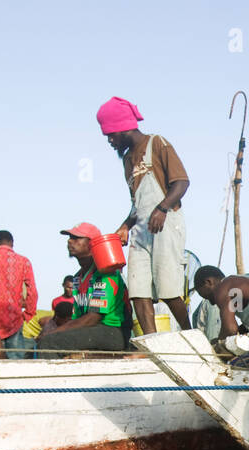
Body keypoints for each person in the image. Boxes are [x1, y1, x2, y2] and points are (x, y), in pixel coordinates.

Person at [98, 96, 190, 335]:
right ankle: (152, 343)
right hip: (141, 229)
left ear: (122, 127)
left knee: (168, 289)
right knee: (138, 290)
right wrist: (125, 225)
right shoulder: (127, 160)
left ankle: (191, 333)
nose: (109, 141)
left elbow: (181, 182)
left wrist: (162, 208)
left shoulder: (156, 143)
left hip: (165, 224)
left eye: (111, 135)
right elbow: (136, 203)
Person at [36, 223, 129, 356]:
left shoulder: (104, 274)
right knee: (49, 339)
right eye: (70, 237)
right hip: (95, 330)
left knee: (50, 342)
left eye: (76, 238)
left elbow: (93, 318)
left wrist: (53, 332)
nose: (69, 241)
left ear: (92, 244)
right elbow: (77, 319)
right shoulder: (78, 278)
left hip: (113, 331)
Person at [0, 230, 38, 358]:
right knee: (15, 365)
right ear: (12, 243)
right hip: (14, 318)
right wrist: (28, 313)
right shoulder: (23, 261)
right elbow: (32, 291)